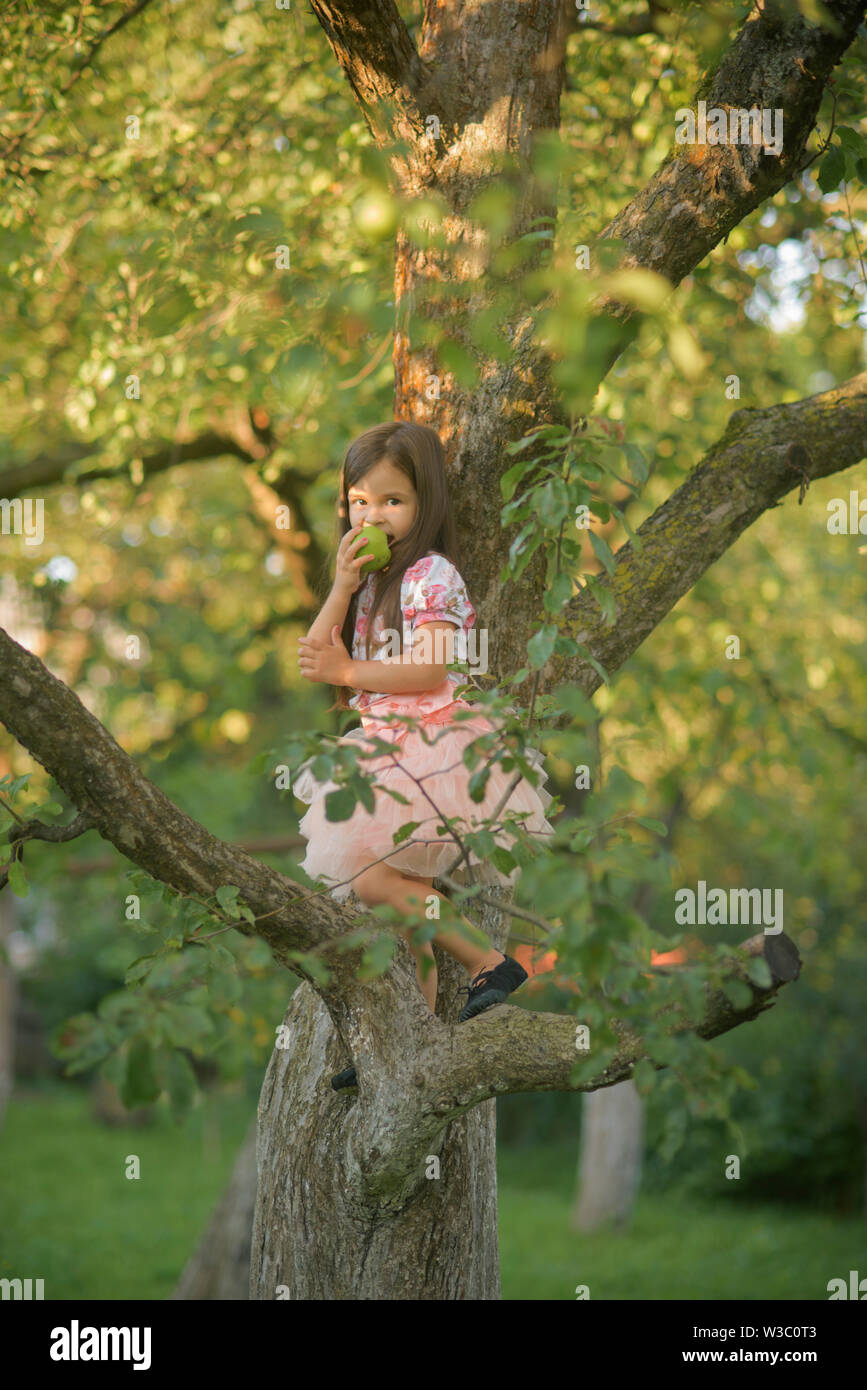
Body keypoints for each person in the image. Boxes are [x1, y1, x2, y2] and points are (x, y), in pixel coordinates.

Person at [294, 421, 555, 1090]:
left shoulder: (427, 573)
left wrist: (348, 672)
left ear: (424, 503)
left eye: (391, 501)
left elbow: (429, 670)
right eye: (359, 500)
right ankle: (402, 1040)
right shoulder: (371, 578)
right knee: (400, 905)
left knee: (370, 878)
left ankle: (492, 962)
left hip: (433, 744)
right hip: (387, 745)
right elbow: (312, 659)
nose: (371, 514)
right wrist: (341, 587)